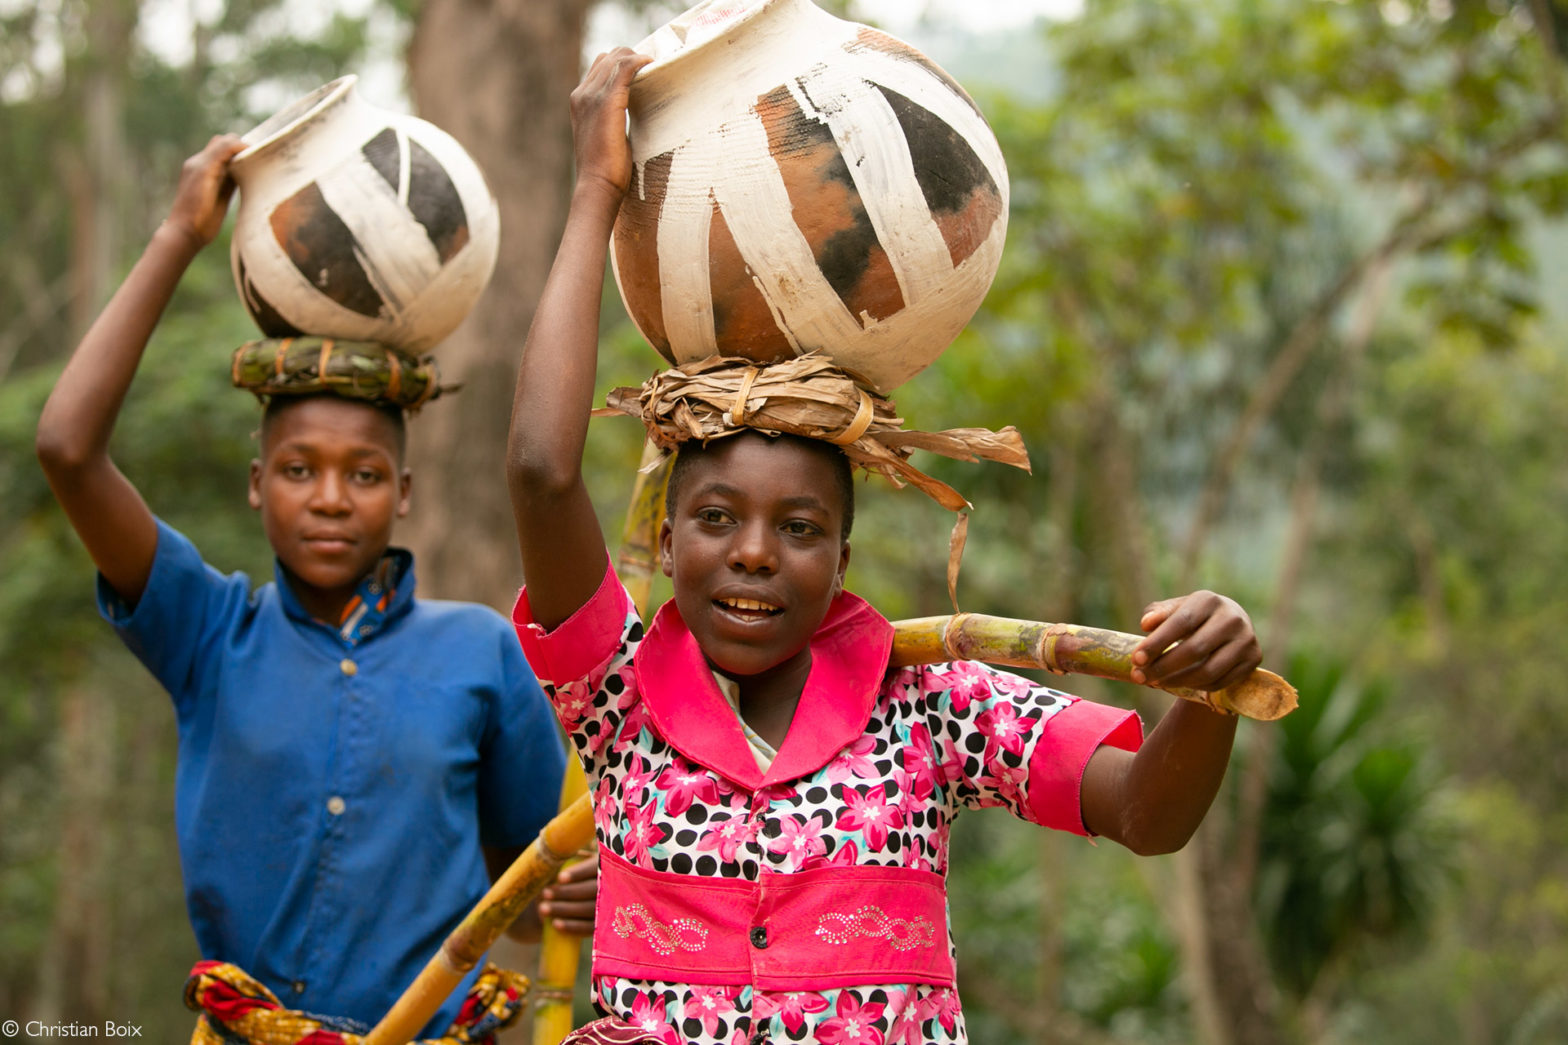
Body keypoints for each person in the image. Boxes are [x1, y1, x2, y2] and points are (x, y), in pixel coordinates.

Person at [506, 49, 1266, 1045]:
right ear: (664, 533)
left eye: (799, 529)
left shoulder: (930, 706)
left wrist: (1208, 696)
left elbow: (1142, 814)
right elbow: (538, 470)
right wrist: (597, 187)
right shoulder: (618, 699)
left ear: (842, 562)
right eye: (716, 517)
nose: (752, 554)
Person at [35, 134, 597, 1042]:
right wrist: (180, 232)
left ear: (404, 493)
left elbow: (521, 902)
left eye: (364, 474)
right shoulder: (207, 631)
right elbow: (67, 447)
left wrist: (573, 896)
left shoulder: (482, 652)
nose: (331, 498)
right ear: (258, 483)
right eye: (299, 469)